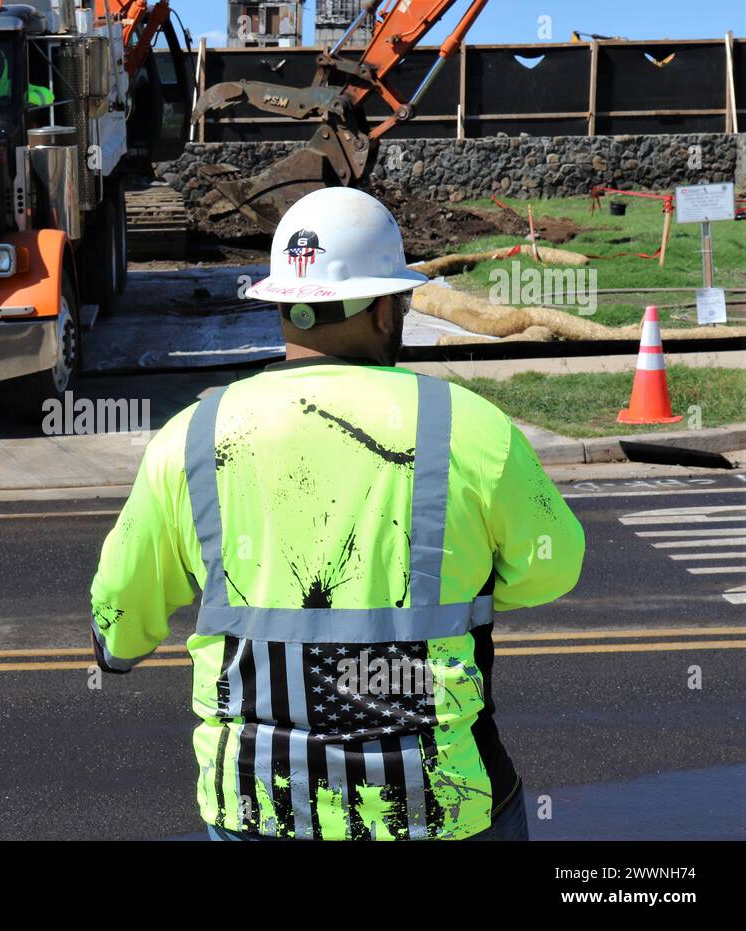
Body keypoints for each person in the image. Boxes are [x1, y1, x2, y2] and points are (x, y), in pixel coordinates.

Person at [88, 186, 585, 841]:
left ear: (283, 307)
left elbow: (119, 618)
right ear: (385, 308)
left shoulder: (190, 437)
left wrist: (115, 648)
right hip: (436, 807)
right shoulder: (469, 429)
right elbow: (554, 566)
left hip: (258, 809)